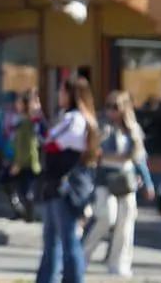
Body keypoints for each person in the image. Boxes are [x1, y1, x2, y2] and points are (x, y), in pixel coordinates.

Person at [35, 76, 101, 283]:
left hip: (65, 188)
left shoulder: (75, 119)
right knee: (52, 242)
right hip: (55, 186)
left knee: (67, 241)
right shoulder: (68, 117)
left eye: (63, 91)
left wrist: (38, 119)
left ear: (72, 94)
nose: (59, 95)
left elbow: (50, 141)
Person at [84, 90, 154, 277]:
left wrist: (148, 183)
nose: (110, 111)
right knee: (107, 216)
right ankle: (82, 256)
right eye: (108, 106)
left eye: (115, 107)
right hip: (105, 178)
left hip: (126, 178)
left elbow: (139, 158)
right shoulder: (101, 126)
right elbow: (93, 153)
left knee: (126, 223)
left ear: (124, 109)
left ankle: (119, 264)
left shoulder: (133, 129)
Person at [8, 91, 43, 222]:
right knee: (13, 186)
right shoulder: (21, 119)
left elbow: (30, 147)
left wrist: (18, 163)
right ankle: (23, 213)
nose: (16, 104)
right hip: (20, 160)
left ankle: (29, 216)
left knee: (27, 192)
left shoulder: (29, 122)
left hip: (27, 163)